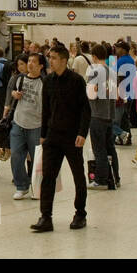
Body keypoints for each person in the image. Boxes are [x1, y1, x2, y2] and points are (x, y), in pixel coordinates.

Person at [32, 45, 91, 232]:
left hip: (73, 137)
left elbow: (85, 109)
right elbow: (45, 110)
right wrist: (43, 135)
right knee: (47, 177)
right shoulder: (48, 81)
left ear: (65, 60)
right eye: (50, 57)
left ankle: (80, 213)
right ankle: (45, 217)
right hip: (52, 136)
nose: (51, 60)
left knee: (78, 176)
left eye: (55, 58)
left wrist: (82, 132)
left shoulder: (77, 81)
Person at [8, 51, 45, 200]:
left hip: (36, 125)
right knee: (16, 156)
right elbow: (13, 93)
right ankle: (21, 186)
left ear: (41, 66)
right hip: (18, 122)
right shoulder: (20, 79)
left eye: (34, 62)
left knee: (37, 159)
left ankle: (37, 187)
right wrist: (13, 95)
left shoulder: (44, 83)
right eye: (29, 61)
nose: (30, 64)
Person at [86, 45, 120, 190]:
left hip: (97, 113)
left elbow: (91, 93)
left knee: (99, 149)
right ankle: (115, 177)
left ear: (93, 56)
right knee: (110, 147)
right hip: (109, 113)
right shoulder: (112, 71)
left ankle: (101, 180)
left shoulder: (94, 71)